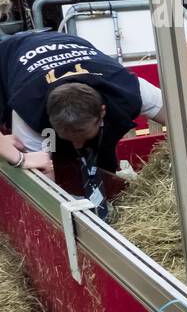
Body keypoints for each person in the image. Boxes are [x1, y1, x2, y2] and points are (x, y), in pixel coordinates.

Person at [0, 31, 167, 216]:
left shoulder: (130, 89)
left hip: (67, 43)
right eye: (68, 136)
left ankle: (106, 199)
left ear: (103, 112)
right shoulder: (27, 109)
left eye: (83, 135)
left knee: (100, 149)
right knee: (58, 159)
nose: (78, 145)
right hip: (11, 56)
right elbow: (40, 175)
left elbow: (185, 118)